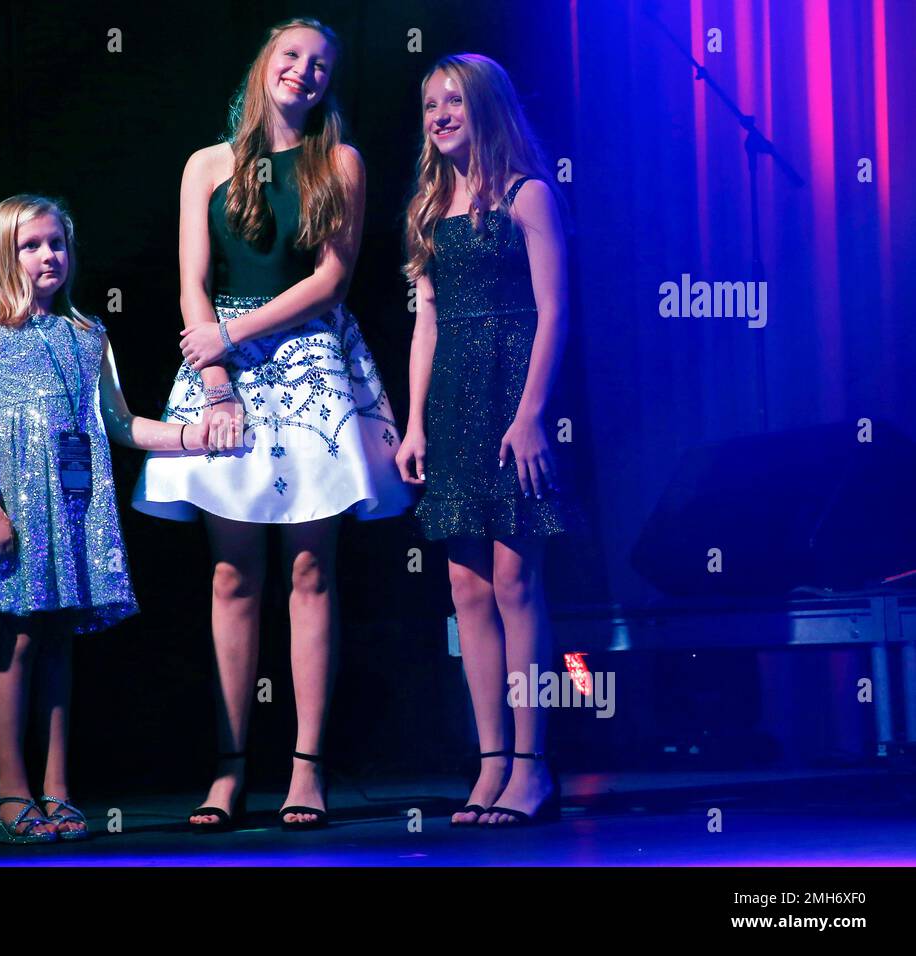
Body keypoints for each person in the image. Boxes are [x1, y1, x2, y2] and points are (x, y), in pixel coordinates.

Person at [132, 18, 412, 831]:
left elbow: (332, 280)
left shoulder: (342, 163)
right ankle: (227, 770)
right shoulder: (207, 166)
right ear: (262, 67)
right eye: (291, 56)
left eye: (321, 63)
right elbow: (192, 285)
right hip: (222, 369)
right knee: (231, 572)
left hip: (311, 364)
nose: (305, 71)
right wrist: (216, 380)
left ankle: (306, 769)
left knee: (311, 572)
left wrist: (235, 333)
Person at [0, 194, 216, 843]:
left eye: (57, 244)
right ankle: (11, 788)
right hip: (14, 499)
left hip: (72, 505)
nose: (48, 256)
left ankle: (58, 785)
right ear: (4, 255)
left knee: (61, 639)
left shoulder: (88, 333)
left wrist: (193, 436)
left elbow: (120, 423)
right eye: (32, 245)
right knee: (16, 637)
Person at [396, 54, 583, 826]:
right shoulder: (428, 204)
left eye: (454, 102)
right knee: (466, 589)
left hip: (514, 395)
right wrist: (413, 423)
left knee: (514, 582)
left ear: (487, 108)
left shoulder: (528, 194)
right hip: (453, 401)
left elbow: (554, 309)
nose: (439, 114)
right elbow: (427, 321)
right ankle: (491, 762)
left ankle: (533, 767)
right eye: (430, 103)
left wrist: (532, 412)